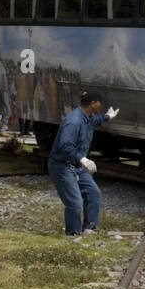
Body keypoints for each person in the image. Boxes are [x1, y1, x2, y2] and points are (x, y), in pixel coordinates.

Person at [47, 90, 119, 236]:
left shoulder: (87, 116)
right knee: (75, 202)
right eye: (100, 102)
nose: (101, 104)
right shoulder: (74, 121)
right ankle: (73, 234)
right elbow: (65, 145)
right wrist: (82, 158)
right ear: (93, 104)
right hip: (62, 167)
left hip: (77, 166)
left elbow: (96, 120)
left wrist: (107, 117)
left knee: (93, 193)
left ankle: (89, 228)